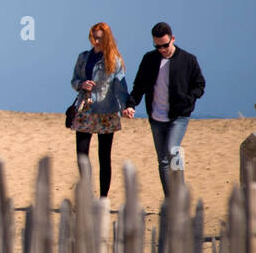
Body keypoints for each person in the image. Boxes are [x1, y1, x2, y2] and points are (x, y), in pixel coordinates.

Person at [123, 22, 205, 196]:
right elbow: (139, 86)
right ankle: (171, 201)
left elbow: (199, 85)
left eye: (165, 45)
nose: (162, 49)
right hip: (156, 117)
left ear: (172, 39)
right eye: (157, 46)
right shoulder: (149, 59)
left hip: (179, 116)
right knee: (163, 161)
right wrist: (130, 104)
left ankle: (180, 196)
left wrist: (189, 99)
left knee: (172, 150)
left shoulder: (188, 60)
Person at [68, 22, 131, 197]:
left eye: (100, 38)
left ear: (107, 39)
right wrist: (81, 83)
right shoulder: (83, 57)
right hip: (84, 109)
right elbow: (74, 80)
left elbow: (120, 88)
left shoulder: (114, 60)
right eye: (93, 37)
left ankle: (103, 198)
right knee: (82, 155)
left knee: (104, 156)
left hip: (106, 111)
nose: (96, 41)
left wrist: (127, 107)